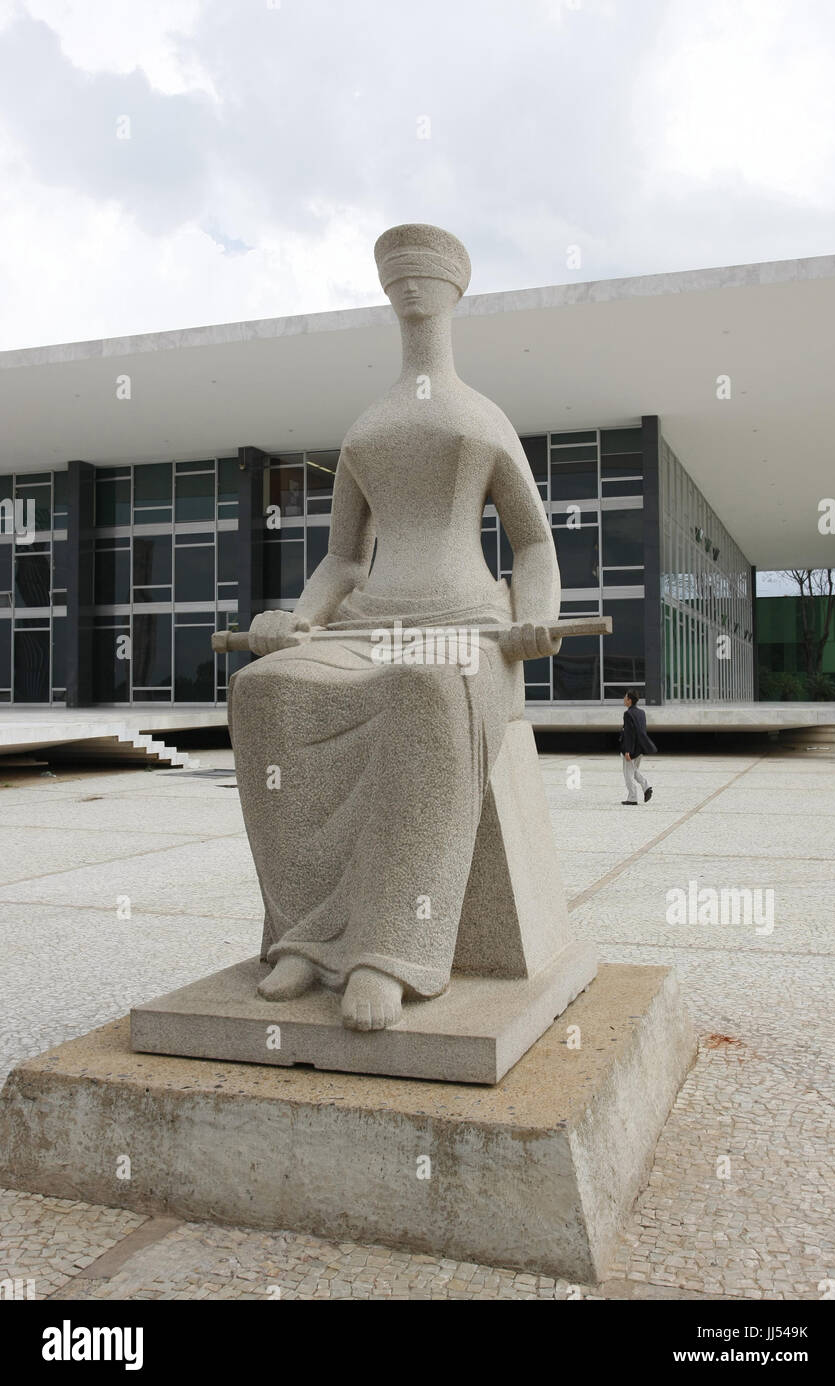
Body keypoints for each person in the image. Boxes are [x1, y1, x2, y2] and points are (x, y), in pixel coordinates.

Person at [227, 224, 561, 1032]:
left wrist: (536, 617)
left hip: (469, 626)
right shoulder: (368, 428)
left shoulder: (482, 417)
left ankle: (389, 948)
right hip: (368, 623)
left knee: (426, 690)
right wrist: (298, 620)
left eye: (425, 275)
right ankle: (306, 935)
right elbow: (343, 559)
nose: (411, 287)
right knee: (264, 693)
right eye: (398, 276)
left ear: (453, 291)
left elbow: (534, 544)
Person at [619, 688, 656, 804]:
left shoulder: (628, 714)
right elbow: (641, 731)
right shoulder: (641, 713)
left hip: (631, 749)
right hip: (640, 748)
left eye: (625, 697)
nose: (624, 699)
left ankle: (633, 798)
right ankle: (646, 786)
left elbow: (629, 733)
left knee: (628, 774)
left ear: (629, 700)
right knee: (633, 771)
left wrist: (627, 751)